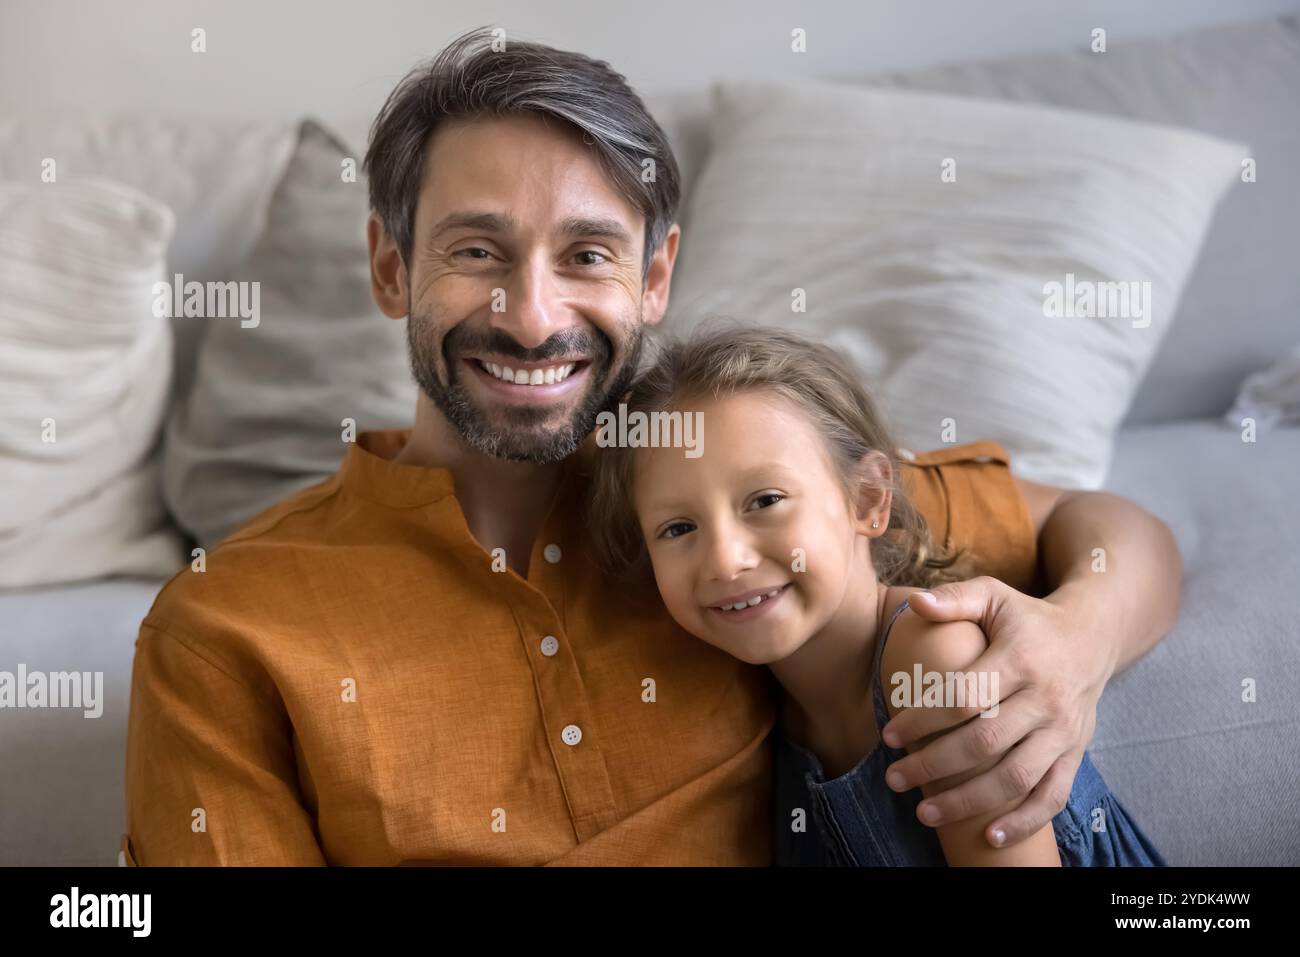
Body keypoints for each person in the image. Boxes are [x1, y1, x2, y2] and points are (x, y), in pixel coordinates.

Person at [121, 27, 1182, 865]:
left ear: (655, 277)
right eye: (476, 250)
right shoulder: (225, 630)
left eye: (587, 254)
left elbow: (1108, 530)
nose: (533, 317)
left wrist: (1073, 644)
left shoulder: (725, 496)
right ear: (391, 270)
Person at [586, 323, 1167, 865]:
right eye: (678, 529)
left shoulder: (933, 654)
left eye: (765, 501)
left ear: (868, 500)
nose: (725, 560)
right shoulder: (764, 711)